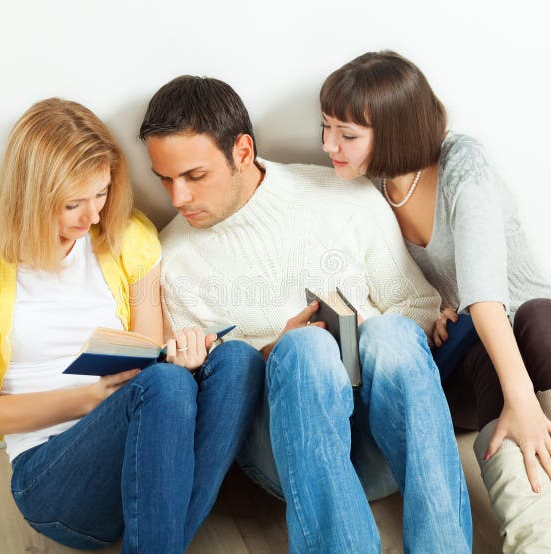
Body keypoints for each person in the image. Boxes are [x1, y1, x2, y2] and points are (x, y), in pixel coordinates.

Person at [139, 76, 472, 553]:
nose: (178, 198)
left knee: (391, 336)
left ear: (243, 151)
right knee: (304, 347)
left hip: (383, 436)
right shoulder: (171, 258)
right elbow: (208, 395)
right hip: (284, 452)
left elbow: (417, 306)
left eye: (194, 176)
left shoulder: (343, 197)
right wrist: (274, 352)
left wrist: (359, 332)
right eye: (165, 179)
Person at [320, 50, 551, 553]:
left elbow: (487, 296)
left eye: (347, 135)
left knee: (540, 314)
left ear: (396, 130)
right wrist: (429, 313)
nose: (329, 145)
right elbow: (377, 297)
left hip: (549, 353)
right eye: (327, 127)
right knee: (481, 342)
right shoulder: (362, 190)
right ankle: (532, 541)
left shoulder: (462, 161)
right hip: (468, 369)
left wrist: (525, 402)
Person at [0, 98, 264, 553]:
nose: (92, 216)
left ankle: (155, 537)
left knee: (238, 362)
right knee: (165, 387)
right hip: (52, 476)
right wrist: (89, 398)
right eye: (73, 203)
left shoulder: (128, 238)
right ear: (32, 195)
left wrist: (181, 359)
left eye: (101, 194)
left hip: (146, 457)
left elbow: (149, 358)